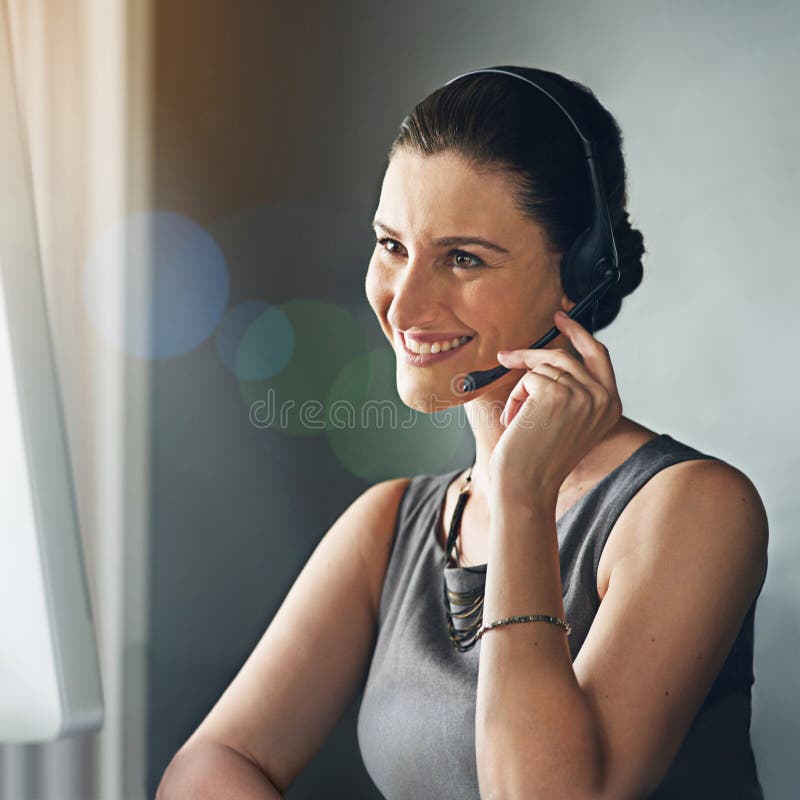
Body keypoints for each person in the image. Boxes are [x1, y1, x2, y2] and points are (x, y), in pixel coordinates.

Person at [157, 67, 769, 800]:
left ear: (581, 275)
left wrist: (519, 497)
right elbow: (210, 764)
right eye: (392, 246)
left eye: (463, 257)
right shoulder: (393, 524)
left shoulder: (693, 510)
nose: (405, 303)